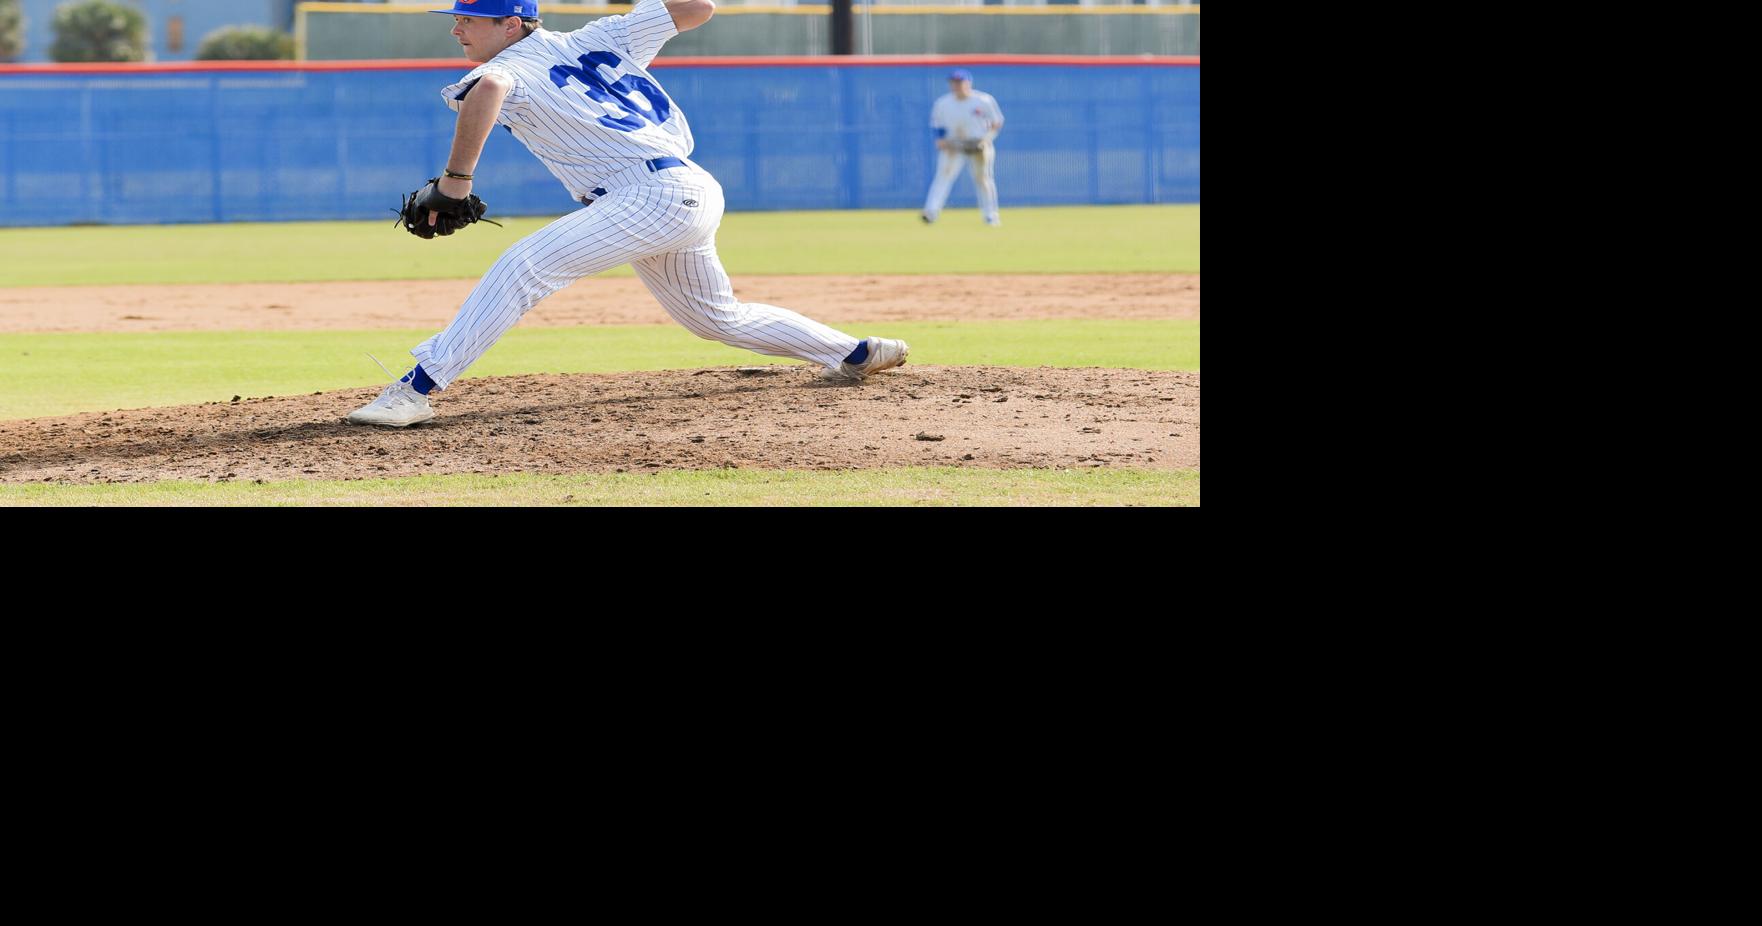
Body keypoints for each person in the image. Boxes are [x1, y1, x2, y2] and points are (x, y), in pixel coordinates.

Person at [350, 0, 910, 428]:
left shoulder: (508, 65)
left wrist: (455, 181)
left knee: (525, 265)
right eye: (456, 19)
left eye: (469, 20)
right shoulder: (601, 36)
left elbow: (492, 85)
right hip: (683, 190)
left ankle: (415, 390)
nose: (456, 29)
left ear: (513, 24)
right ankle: (854, 351)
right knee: (716, 319)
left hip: (647, 194)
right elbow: (699, 7)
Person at [920, 69, 1004, 227]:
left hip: (978, 144)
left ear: (968, 83)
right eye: (954, 82)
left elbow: (997, 122)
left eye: (960, 82)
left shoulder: (983, 100)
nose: (957, 85)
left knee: (983, 179)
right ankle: (930, 212)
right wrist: (940, 140)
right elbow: (937, 124)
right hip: (954, 145)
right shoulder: (943, 103)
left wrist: (987, 139)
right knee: (943, 176)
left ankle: (990, 215)